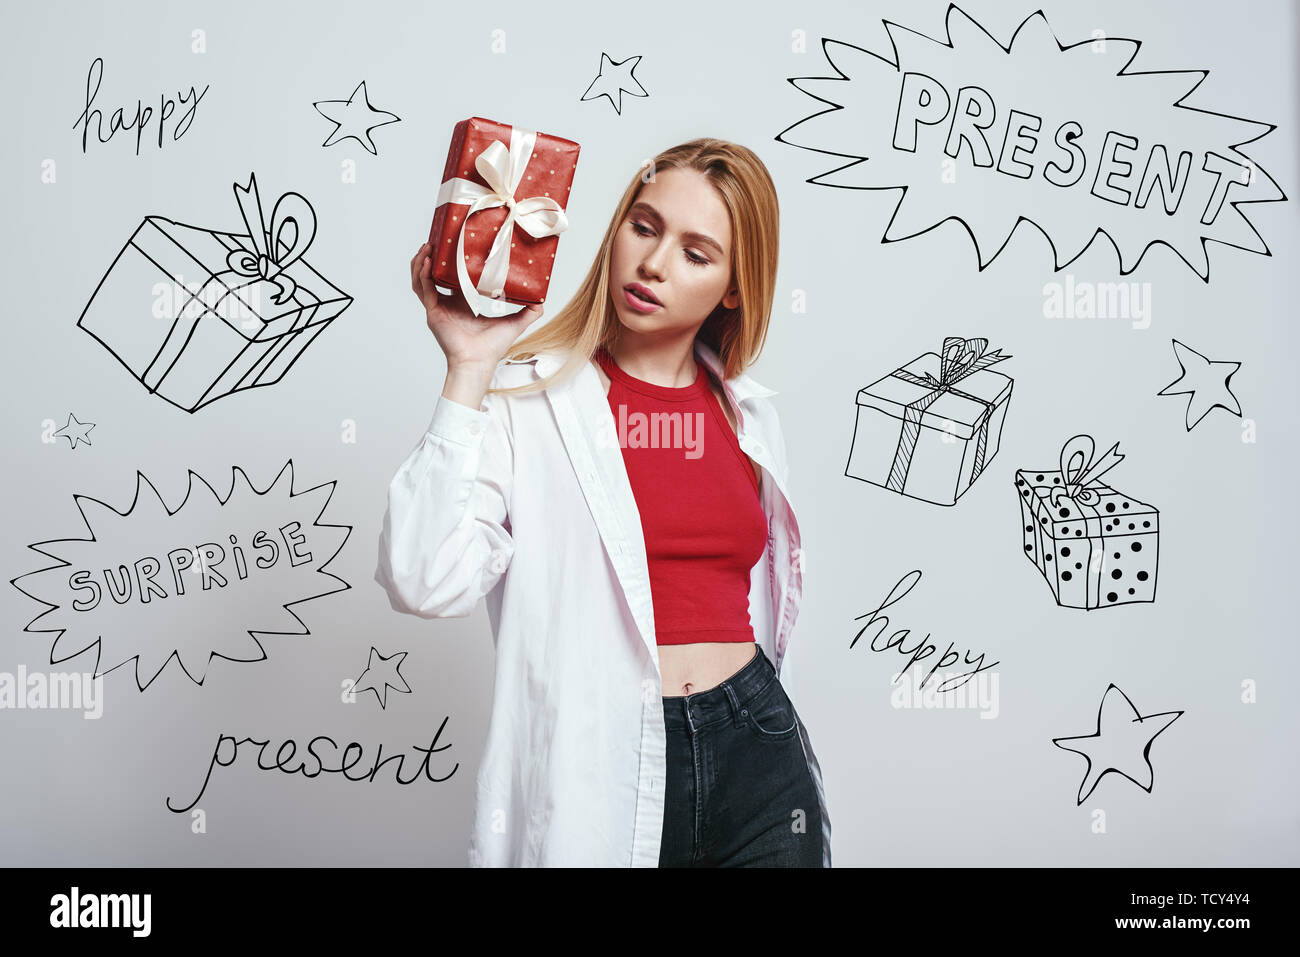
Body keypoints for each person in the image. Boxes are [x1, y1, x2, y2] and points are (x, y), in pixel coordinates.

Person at [375, 137, 830, 867]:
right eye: (644, 228)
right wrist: (469, 366)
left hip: (757, 749)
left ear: (733, 288)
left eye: (696, 254)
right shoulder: (526, 398)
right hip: (604, 760)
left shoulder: (747, 415)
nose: (654, 264)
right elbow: (423, 580)